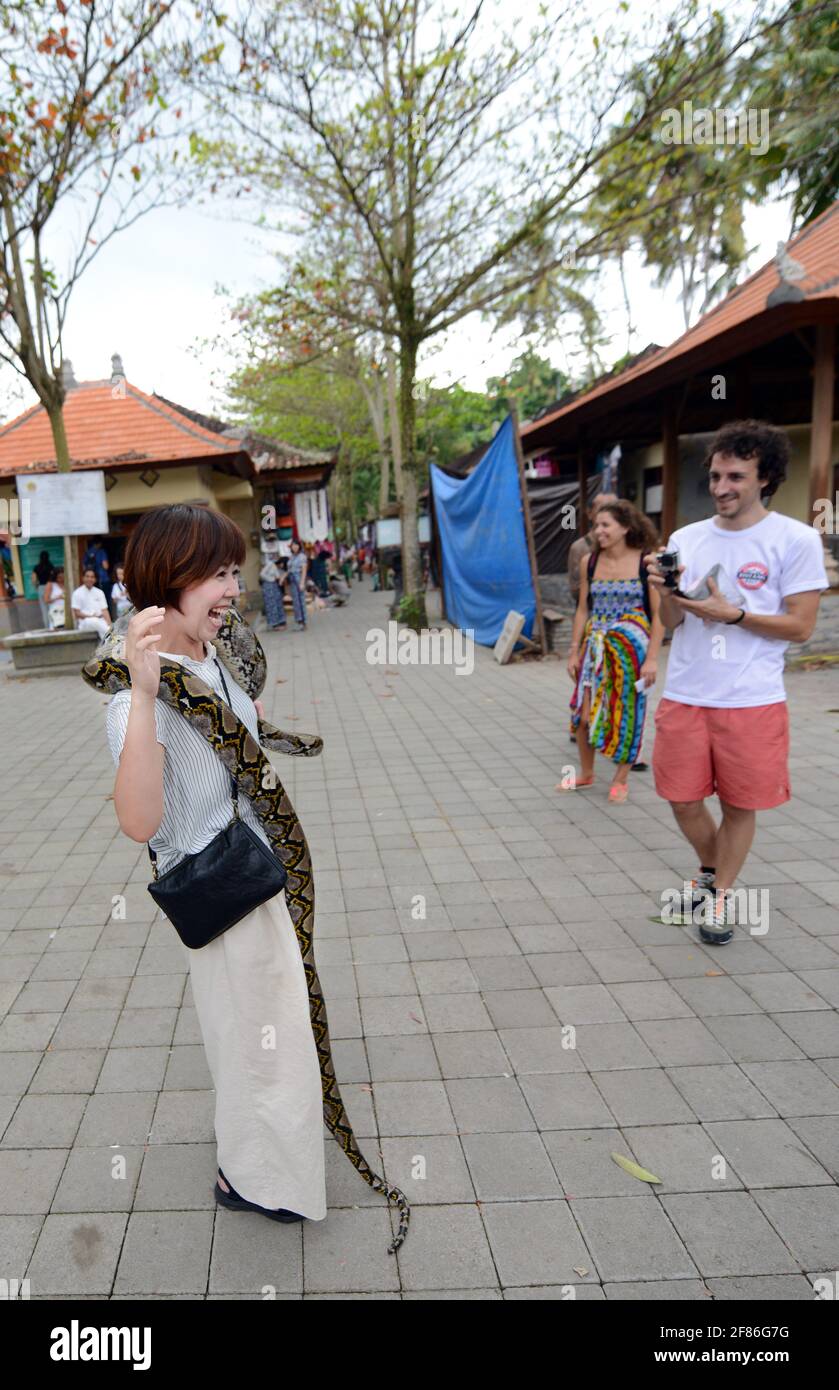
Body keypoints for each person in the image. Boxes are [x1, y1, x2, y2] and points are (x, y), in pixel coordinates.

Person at [105, 503, 326, 1223]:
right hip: (220, 890)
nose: (234, 588)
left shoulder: (211, 658)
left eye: (235, 570)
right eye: (216, 573)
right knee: (259, 1045)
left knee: (267, 1037)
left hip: (258, 871)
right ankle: (255, 1180)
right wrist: (141, 696)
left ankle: (257, 1168)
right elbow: (139, 821)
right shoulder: (142, 690)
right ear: (169, 575)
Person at [647, 419, 828, 944]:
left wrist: (734, 616)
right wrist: (665, 592)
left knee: (738, 805)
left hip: (752, 699)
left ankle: (722, 896)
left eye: (736, 477)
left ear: (765, 477)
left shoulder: (794, 540)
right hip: (685, 692)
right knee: (682, 800)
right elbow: (675, 622)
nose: (722, 488)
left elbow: (800, 627)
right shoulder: (686, 537)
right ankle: (711, 869)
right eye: (716, 476)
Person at [560, 500, 664, 803]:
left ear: (626, 527)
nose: (598, 531)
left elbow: (658, 614)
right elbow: (582, 610)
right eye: (596, 525)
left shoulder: (647, 562)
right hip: (595, 649)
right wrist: (574, 651)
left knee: (626, 713)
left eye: (605, 525)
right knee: (582, 713)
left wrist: (653, 659)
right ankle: (587, 773)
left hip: (632, 651)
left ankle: (621, 778)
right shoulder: (589, 562)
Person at [567, 493, 618, 607]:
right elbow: (575, 592)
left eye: (615, 509)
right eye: (603, 509)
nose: (609, 515)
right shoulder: (580, 548)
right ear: (590, 513)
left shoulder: (630, 547)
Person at [72, 566, 111, 638]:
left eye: (92, 577)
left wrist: (109, 624)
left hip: (100, 621)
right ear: (83, 578)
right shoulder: (77, 593)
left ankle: (109, 639)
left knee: (103, 626)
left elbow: (104, 610)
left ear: (95, 579)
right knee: (93, 621)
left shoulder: (99, 592)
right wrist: (91, 616)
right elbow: (77, 613)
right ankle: (111, 636)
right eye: (87, 576)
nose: (89, 579)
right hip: (85, 622)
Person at [259, 554, 287, 629]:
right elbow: (262, 574)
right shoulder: (271, 564)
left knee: (278, 602)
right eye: (282, 564)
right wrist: (271, 579)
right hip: (268, 586)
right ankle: (274, 624)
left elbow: (278, 578)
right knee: (271, 604)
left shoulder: (278, 569)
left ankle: (280, 621)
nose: (282, 565)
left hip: (274, 586)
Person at [286, 539, 308, 629]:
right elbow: (289, 569)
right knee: (295, 602)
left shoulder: (302, 556)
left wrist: (302, 582)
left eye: (296, 545)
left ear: (299, 546)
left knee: (301, 601)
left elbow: (304, 570)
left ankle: (304, 622)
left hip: (299, 579)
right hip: (292, 580)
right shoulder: (291, 556)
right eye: (293, 545)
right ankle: (298, 621)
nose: (295, 547)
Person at [31, 549, 55, 627]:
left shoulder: (36, 567)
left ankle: (47, 626)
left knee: (44, 610)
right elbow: (54, 577)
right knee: (52, 608)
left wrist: (37, 587)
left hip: (41, 587)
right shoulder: (51, 567)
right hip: (51, 587)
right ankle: (54, 625)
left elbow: (34, 580)